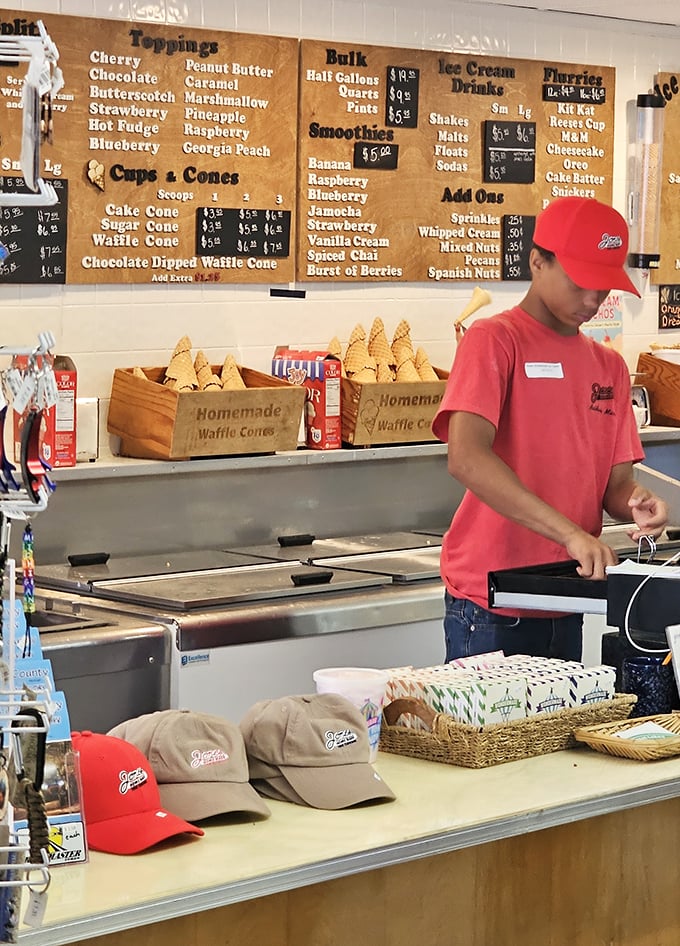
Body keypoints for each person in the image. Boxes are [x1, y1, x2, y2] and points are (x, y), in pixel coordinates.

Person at [432, 196, 669, 662]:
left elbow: (615, 486)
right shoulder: (494, 340)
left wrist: (637, 502)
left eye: (603, 288)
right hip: (492, 605)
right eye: (580, 284)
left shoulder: (609, 367)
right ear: (537, 262)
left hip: (566, 598)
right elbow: (466, 457)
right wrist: (569, 534)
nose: (592, 301)